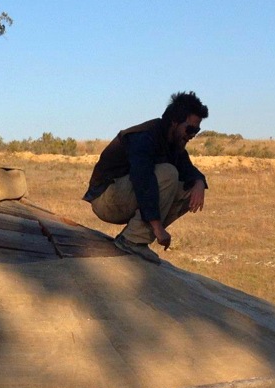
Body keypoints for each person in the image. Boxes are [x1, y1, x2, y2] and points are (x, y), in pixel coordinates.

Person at [83, 91, 210, 263]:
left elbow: (188, 169)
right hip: (106, 199)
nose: (192, 135)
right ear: (174, 122)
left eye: (197, 131)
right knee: (168, 173)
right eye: (190, 129)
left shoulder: (174, 143)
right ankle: (133, 240)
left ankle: (135, 237)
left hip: (125, 196)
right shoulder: (145, 136)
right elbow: (142, 180)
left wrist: (199, 182)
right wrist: (157, 228)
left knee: (189, 190)